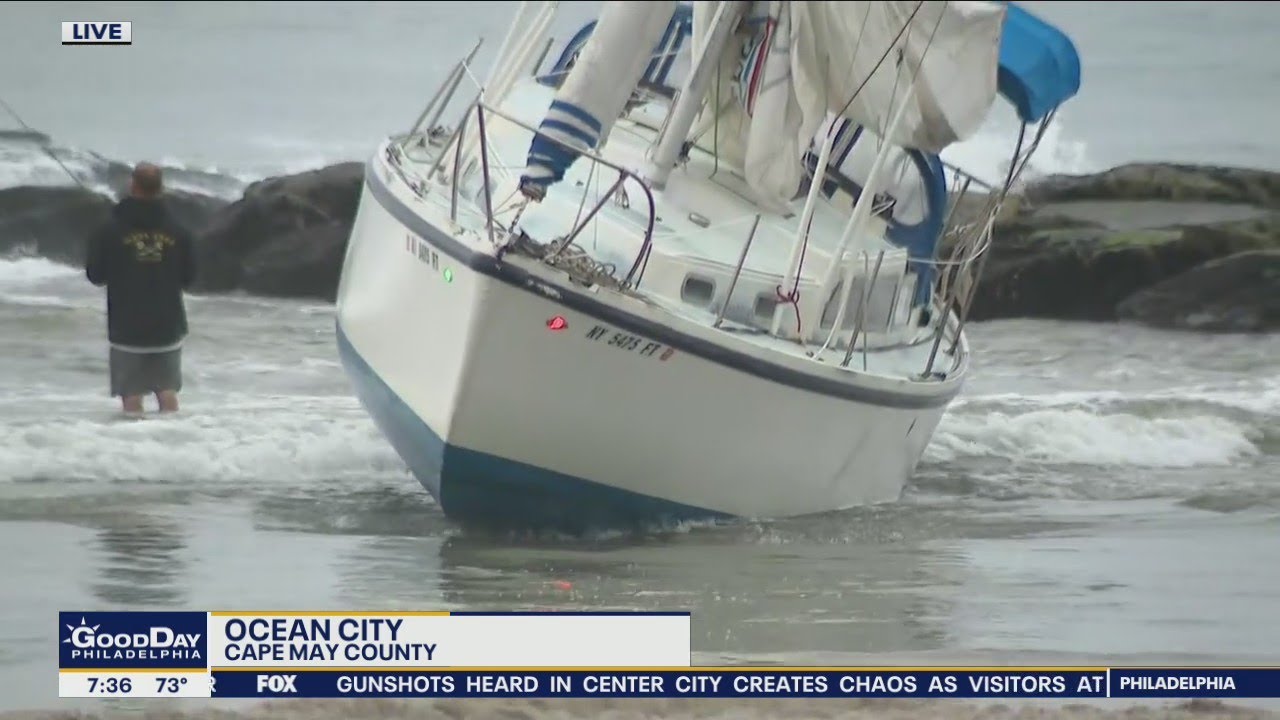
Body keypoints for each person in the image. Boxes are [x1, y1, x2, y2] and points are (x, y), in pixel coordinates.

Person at [86, 162, 197, 415]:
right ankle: (173, 441)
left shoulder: (109, 229)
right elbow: (189, 279)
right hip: (168, 325)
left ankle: (135, 448)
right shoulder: (180, 231)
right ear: (161, 188)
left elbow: (95, 276)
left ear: (133, 185)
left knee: (131, 395)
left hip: (127, 326)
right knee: (167, 391)